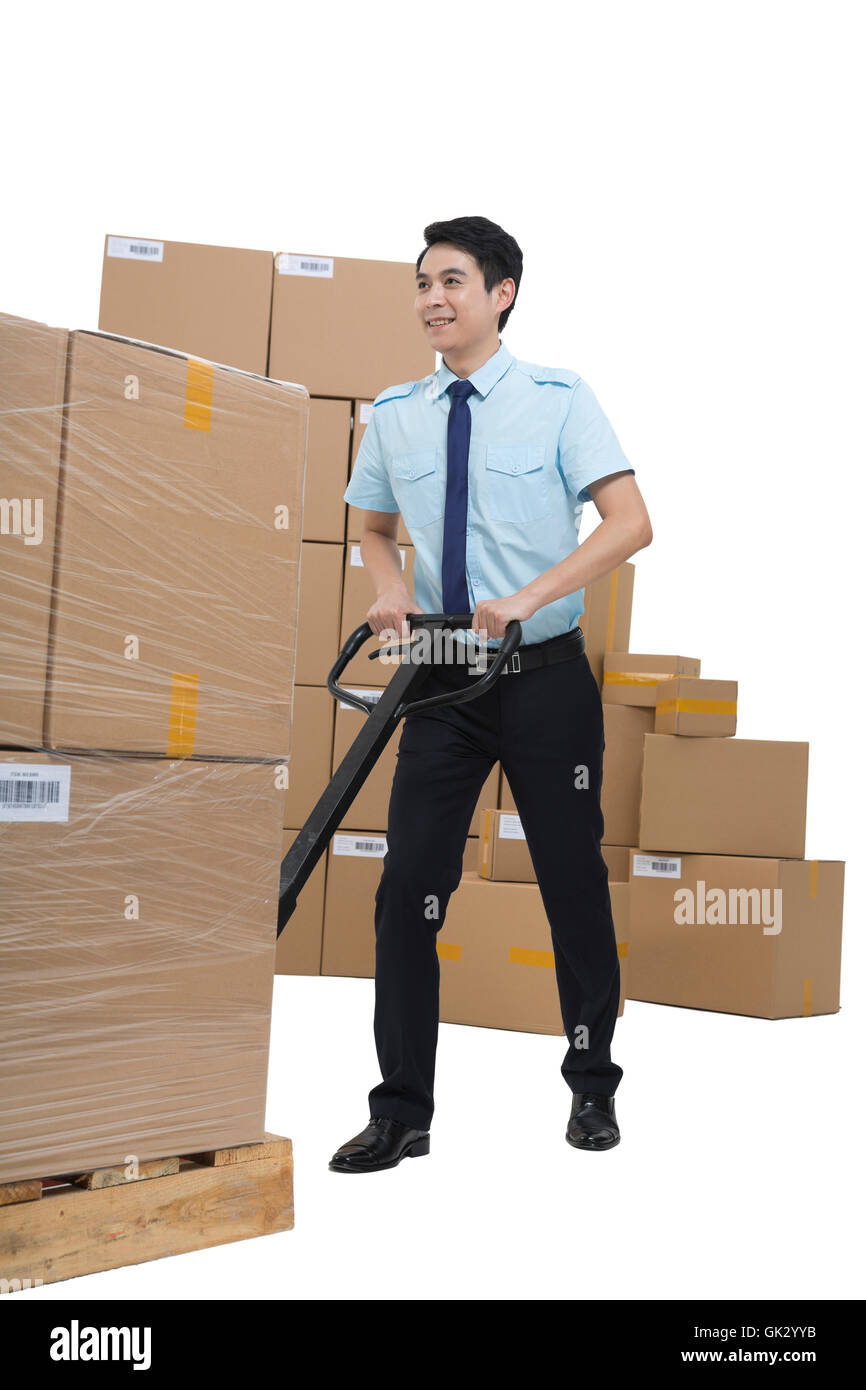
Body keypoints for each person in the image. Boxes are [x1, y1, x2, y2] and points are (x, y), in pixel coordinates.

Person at [330, 215, 652, 1173]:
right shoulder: (397, 412)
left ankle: (592, 1085)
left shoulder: (559, 399)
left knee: (571, 881)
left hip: (545, 681)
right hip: (442, 685)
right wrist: (390, 586)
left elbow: (630, 521)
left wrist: (530, 597)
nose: (432, 299)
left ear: (501, 293)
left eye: (453, 281)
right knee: (406, 890)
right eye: (423, 283)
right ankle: (401, 1111)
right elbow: (373, 527)